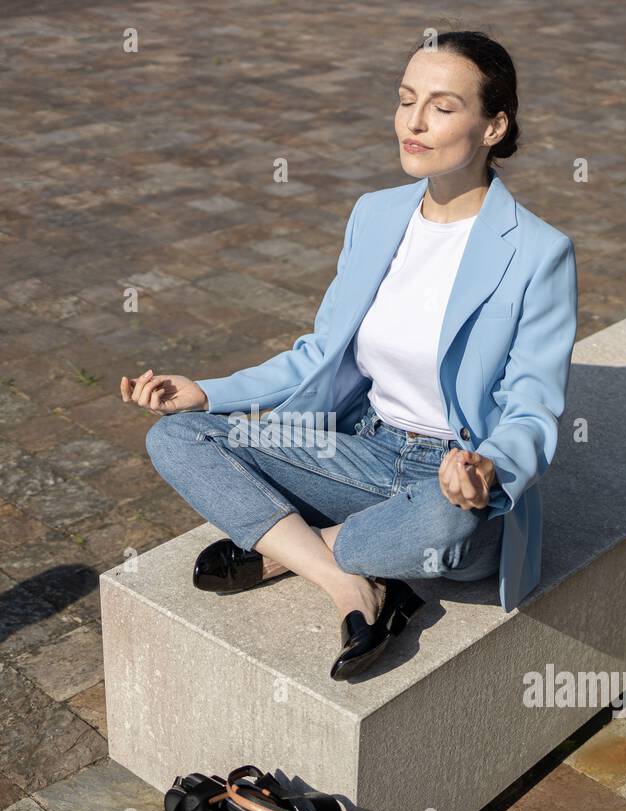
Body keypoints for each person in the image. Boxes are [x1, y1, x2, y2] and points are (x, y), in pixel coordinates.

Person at [122, 30, 578, 680]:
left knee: (448, 527)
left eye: (443, 107)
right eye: (405, 100)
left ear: (493, 126)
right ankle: (348, 582)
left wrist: (486, 470)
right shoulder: (375, 214)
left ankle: (292, 550)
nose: (413, 122)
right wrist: (209, 393)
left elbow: (533, 410)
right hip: (360, 449)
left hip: (449, 482)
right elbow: (317, 354)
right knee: (178, 438)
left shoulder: (538, 252)